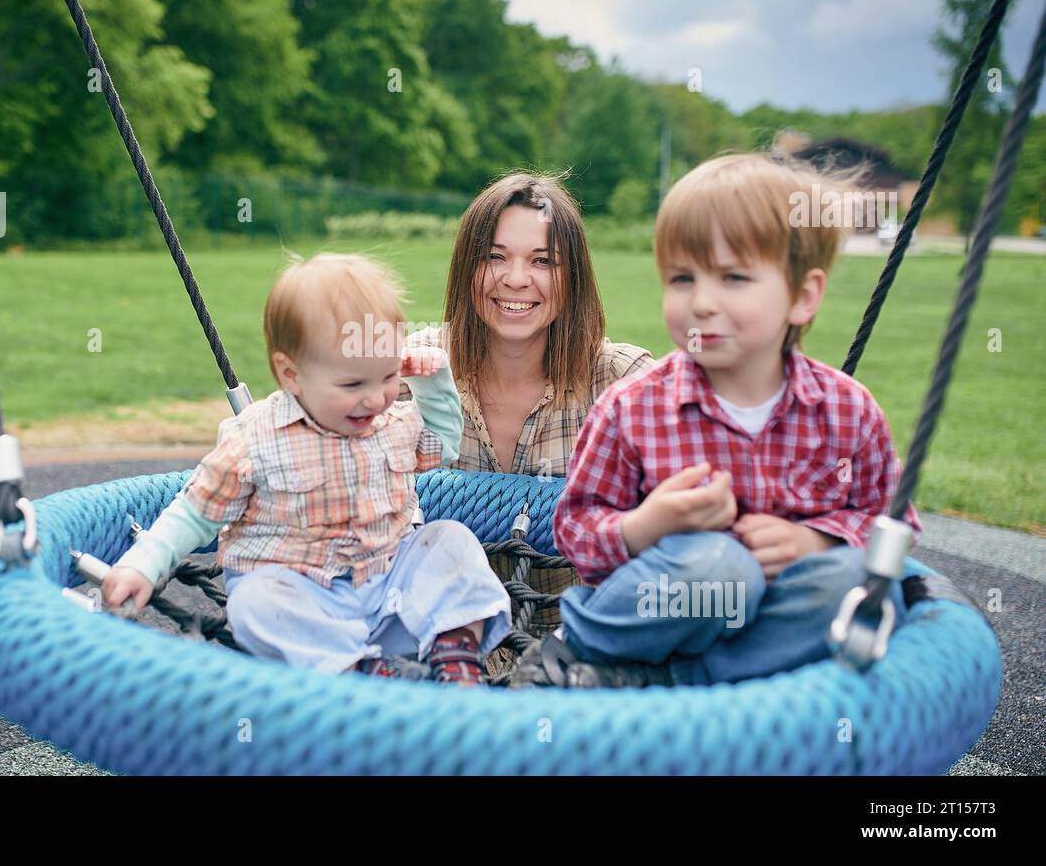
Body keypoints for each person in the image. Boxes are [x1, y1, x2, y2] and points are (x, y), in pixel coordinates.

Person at [516, 153, 922, 688]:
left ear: (802, 297)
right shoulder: (632, 408)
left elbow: (893, 526)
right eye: (683, 278)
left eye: (733, 277)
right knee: (721, 565)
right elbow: (574, 533)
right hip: (649, 615)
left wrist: (815, 543)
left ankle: (677, 681)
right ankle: (583, 657)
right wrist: (647, 525)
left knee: (855, 580)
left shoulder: (846, 411)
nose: (702, 302)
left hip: (763, 627)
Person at [102, 253, 511, 685]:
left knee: (451, 541)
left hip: (390, 595)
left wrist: (432, 383)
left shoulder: (391, 423)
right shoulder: (255, 439)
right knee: (255, 603)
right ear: (291, 374)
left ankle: (453, 654)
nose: (375, 399)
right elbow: (195, 512)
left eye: (389, 376)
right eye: (353, 384)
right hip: (305, 605)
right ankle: (360, 673)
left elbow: (445, 443)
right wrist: (143, 565)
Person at [398, 172, 653, 658]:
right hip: (446, 654)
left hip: (586, 654)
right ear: (467, 269)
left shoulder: (623, 381)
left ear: (572, 277)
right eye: (495, 257)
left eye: (543, 261)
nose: (516, 278)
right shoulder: (418, 373)